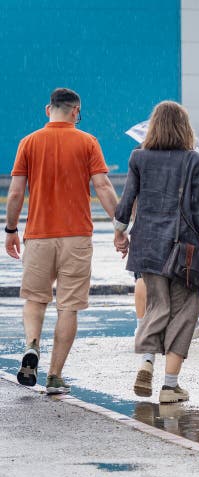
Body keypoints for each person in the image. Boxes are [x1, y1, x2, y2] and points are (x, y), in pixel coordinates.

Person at [5, 88, 120, 394]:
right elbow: (103, 186)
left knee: (35, 299)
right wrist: (120, 225)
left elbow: (16, 192)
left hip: (39, 235)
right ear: (75, 112)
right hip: (77, 237)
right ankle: (55, 376)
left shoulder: (29, 142)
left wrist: (11, 230)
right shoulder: (87, 142)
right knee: (68, 307)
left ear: (48, 110)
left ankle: (32, 344)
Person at [114, 101, 199, 404]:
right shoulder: (195, 161)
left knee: (156, 306)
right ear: (185, 128)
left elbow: (127, 200)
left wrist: (120, 231)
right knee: (185, 312)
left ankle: (147, 362)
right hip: (185, 247)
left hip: (148, 244)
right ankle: (170, 386)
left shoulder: (139, 158)